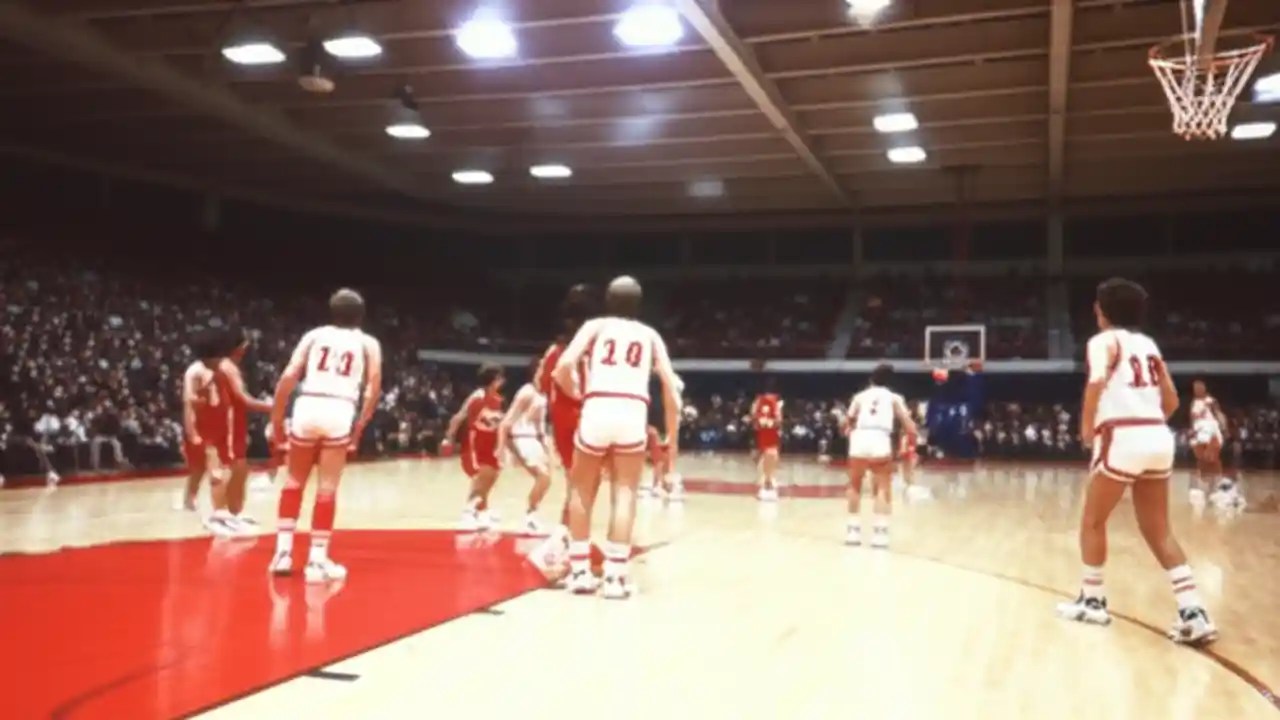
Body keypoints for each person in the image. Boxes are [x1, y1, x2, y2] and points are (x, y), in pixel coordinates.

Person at [1056, 278, 1216, 645]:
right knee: (1159, 530)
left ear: (1103, 309)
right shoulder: (1148, 344)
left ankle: (1092, 599)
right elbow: (1172, 400)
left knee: (1093, 520)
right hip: (1158, 436)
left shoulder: (1103, 341)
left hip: (1121, 436)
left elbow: (1095, 384)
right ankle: (1194, 610)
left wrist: (1086, 430)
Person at [554, 276, 681, 599]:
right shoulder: (650, 334)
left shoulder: (595, 326)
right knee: (625, 492)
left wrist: (578, 392)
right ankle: (615, 575)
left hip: (598, 405)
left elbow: (562, 367)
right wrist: (673, 428)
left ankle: (580, 570)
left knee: (581, 489)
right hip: (633, 411)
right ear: (639, 304)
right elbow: (672, 383)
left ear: (608, 301)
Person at [268, 289, 383, 583]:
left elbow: (288, 377)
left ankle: (282, 553)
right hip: (340, 407)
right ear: (361, 315)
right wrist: (358, 428)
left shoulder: (314, 335)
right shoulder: (368, 342)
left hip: (307, 403)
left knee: (294, 481)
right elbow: (372, 388)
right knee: (327, 487)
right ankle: (317, 561)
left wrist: (277, 418)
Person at [840, 363, 917, 548]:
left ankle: (853, 532)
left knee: (855, 485)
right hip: (880, 438)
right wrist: (912, 439)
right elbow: (908, 425)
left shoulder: (859, 397)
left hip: (860, 437)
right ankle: (880, 533)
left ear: (870, 379)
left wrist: (848, 430)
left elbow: (845, 424)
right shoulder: (894, 398)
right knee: (882, 486)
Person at [216, 327, 272, 531]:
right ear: (239, 347)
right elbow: (243, 399)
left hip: (235, 422)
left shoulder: (228, 366)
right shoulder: (227, 367)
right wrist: (273, 407)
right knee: (233, 469)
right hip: (227, 422)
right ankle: (223, 515)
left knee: (240, 469)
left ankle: (235, 513)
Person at [444, 364, 505, 531]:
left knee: (491, 477)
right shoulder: (477, 397)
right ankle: (467, 513)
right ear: (494, 380)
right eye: (500, 377)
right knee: (481, 478)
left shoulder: (498, 400)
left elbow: (498, 424)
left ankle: (482, 511)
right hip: (475, 445)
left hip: (491, 446)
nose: (503, 381)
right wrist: (448, 438)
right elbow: (459, 417)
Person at [496, 359, 552, 535]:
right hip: (522, 438)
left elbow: (539, 424)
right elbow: (506, 422)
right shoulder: (526, 392)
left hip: (534, 439)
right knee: (543, 477)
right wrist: (501, 448)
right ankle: (529, 516)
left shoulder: (542, 395)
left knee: (546, 479)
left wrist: (546, 446)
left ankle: (531, 515)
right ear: (536, 372)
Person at [1188, 379, 1228, 503]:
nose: (1197, 390)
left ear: (1204, 388)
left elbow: (1219, 414)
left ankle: (1217, 487)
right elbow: (1192, 420)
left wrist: (1224, 427)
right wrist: (1192, 430)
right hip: (1199, 432)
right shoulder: (1194, 403)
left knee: (1212, 458)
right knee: (1201, 459)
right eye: (1195, 388)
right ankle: (1204, 489)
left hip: (1211, 430)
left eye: (1199, 387)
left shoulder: (1211, 401)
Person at [750, 378, 783, 502]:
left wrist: (771, 423)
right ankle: (765, 484)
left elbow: (778, 420)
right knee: (765, 457)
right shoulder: (759, 401)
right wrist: (760, 423)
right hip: (763, 434)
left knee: (772, 455)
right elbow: (754, 418)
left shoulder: (775, 402)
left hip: (771, 434)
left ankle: (769, 482)